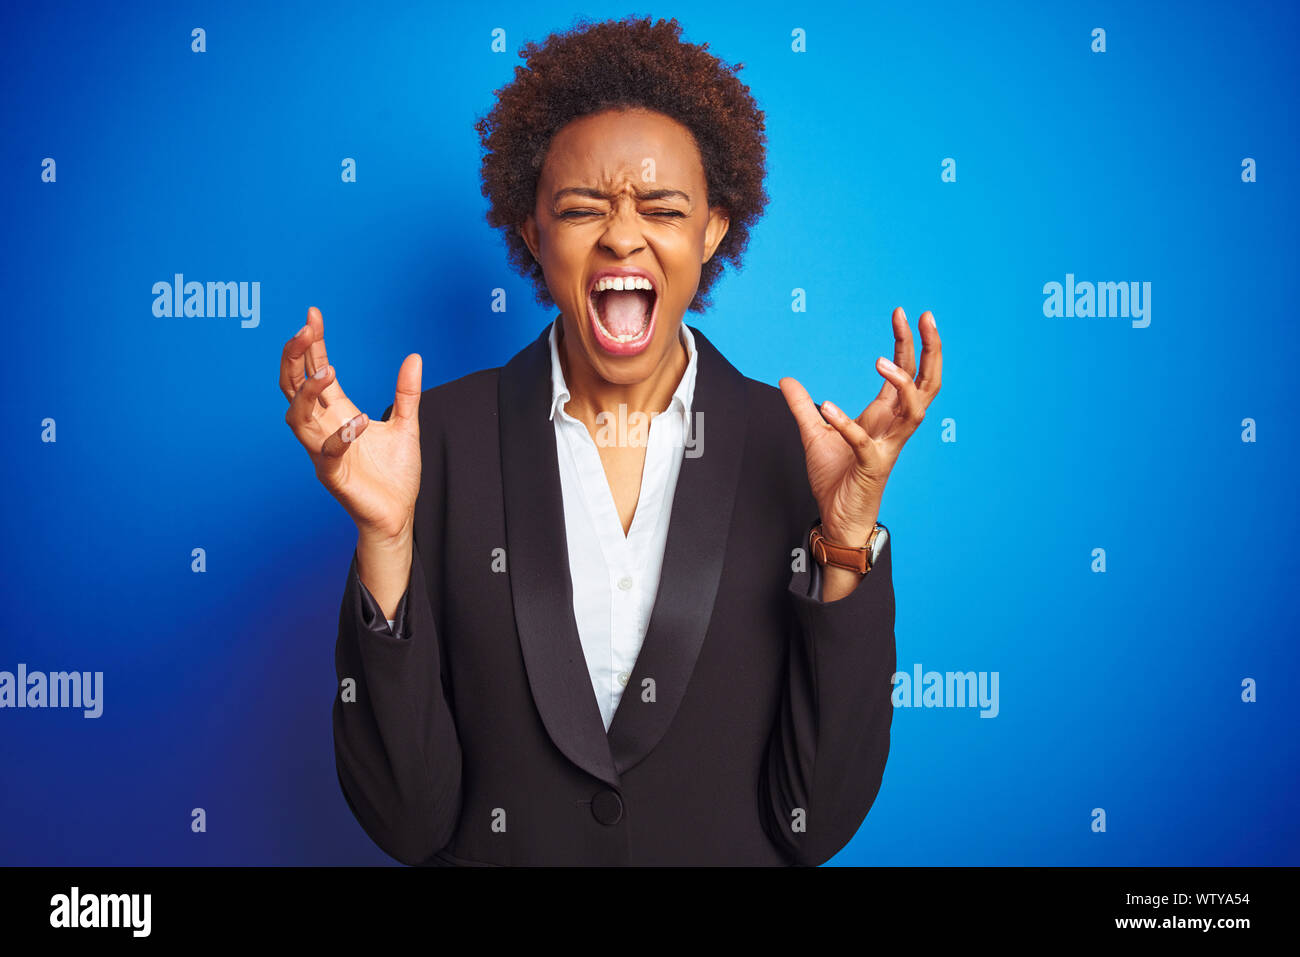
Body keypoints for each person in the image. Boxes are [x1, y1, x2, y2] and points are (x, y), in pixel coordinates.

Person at [280, 15, 942, 866]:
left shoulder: (801, 453)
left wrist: (845, 538)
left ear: (710, 232)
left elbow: (819, 816)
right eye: (583, 207)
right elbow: (409, 823)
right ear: (533, 234)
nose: (623, 235)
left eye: (663, 208)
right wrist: (385, 537)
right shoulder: (428, 447)